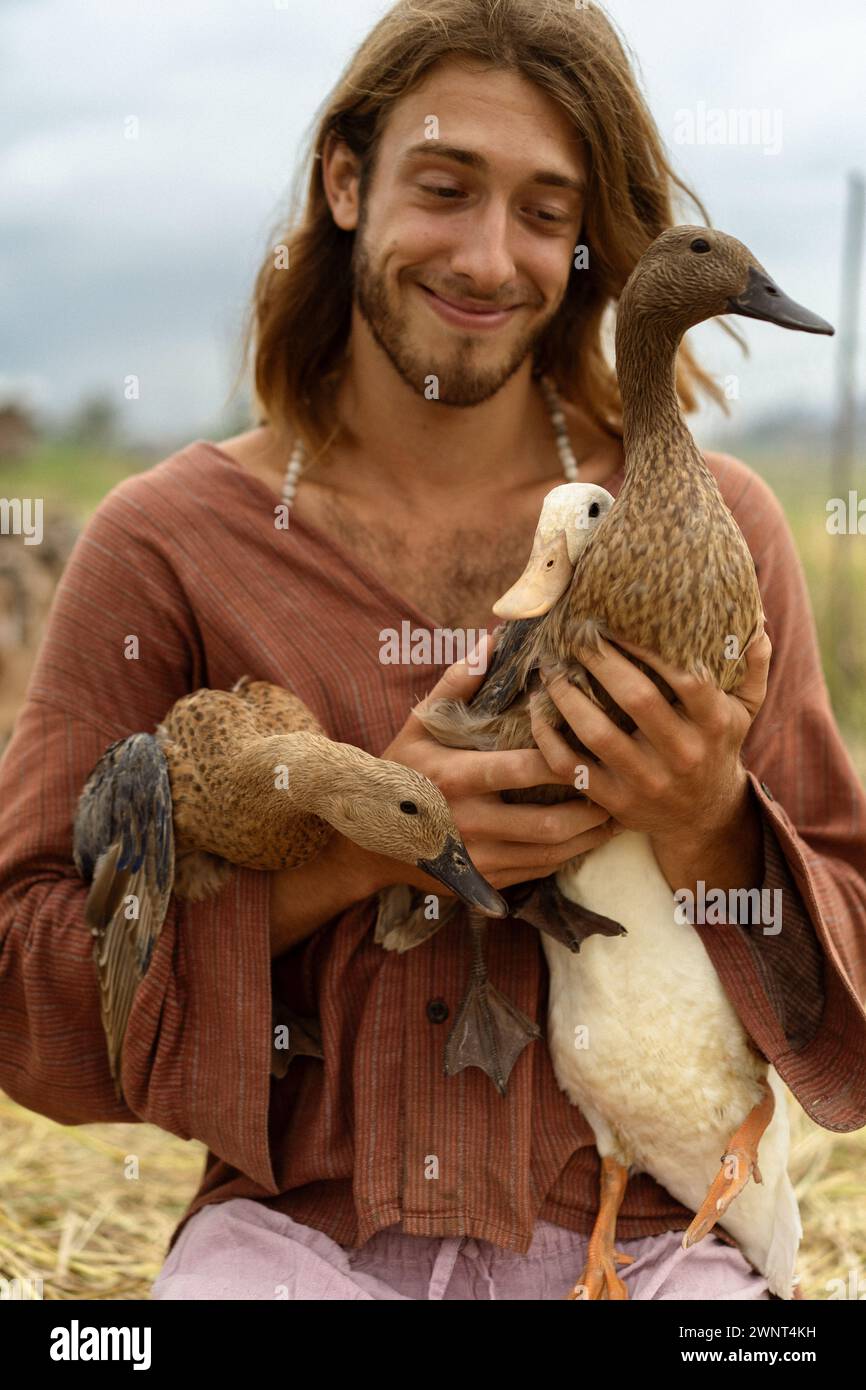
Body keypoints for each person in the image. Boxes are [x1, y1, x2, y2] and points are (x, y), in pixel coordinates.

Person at [1, 0, 865, 1301]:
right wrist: (349, 850)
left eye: (540, 208)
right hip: (294, 1245)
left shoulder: (722, 534)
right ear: (346, 181)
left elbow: (847, 966)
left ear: (583, 239)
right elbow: (26, 985)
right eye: (444, 186)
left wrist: (704, 823)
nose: (485, 254)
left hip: (649, 1246)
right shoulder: (170, 543)